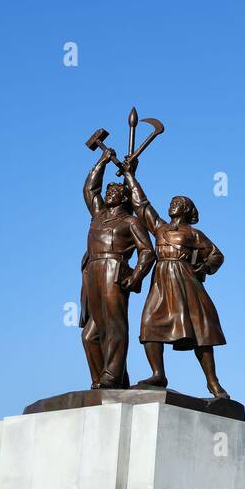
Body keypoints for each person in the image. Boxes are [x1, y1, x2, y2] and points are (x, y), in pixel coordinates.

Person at [120, 165, 230, 400]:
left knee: (201, 330)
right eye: (171, 201)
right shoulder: (159, 227)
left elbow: (217, 255)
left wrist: (203, 267)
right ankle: (158, 374)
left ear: (187, 209)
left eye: (177, 202)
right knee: (149, 323)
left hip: (186, 281)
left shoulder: (194, 234)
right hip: (161, 279)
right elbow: (142, 205)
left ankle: (213, 382)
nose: (172, 204)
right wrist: (130, 175)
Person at [80, 150, 155, 388]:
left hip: (115, 269)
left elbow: (148, 251)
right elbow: (90, 190)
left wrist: (136, 276)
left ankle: (111, 376)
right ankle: (105, 379)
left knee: (115, 326)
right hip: (92, 270)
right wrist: (102, 160)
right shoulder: (98, 215)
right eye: (108, 190)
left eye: (115, 191)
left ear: (124, 198)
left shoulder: (130, 222)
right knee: (90, 335)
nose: (109, 193)